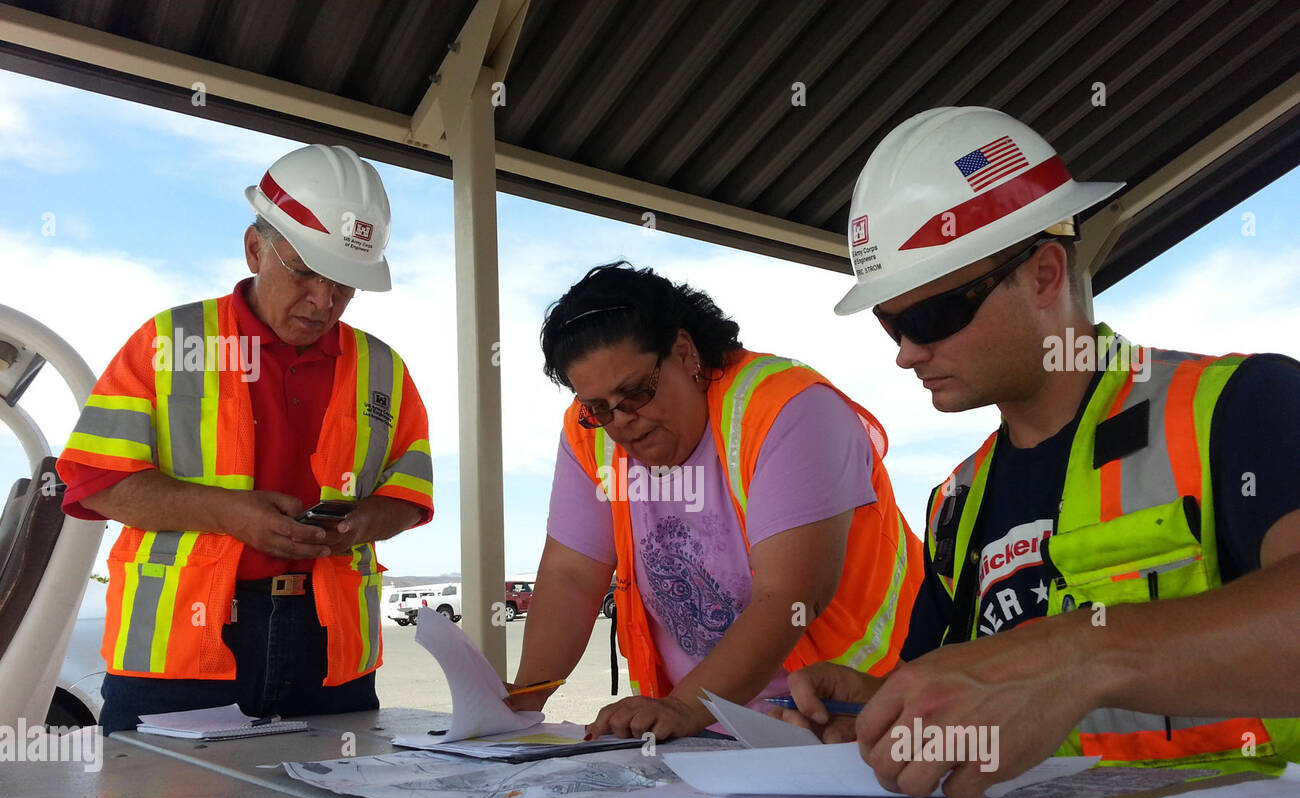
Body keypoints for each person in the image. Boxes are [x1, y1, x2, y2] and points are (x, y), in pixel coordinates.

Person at [780, 106, 1300, 798]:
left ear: (1046, 273)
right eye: (890, 323)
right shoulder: (953, 506)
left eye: (930, 317)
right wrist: (879, 714)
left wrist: (1081, 653)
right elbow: (973, 694)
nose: (906, 352)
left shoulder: (1242, 408)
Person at [57, 144, 434, 734]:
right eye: (305, 272)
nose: (323, 301)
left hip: (330, 648)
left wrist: (364, 521)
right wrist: (228, 513)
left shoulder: (383, 370)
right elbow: (95, 482)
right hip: (179, 646)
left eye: (344, 284)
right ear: (255, 248)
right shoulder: (169, 340)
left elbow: (409, 495)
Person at [508, 261, 923, 740]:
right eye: (598, 408)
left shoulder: (787, 407)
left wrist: (682, 709)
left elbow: (788, 595)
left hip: (860, 716)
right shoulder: (591, 436)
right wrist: (523, 699)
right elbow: (572, 575)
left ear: (685, 353)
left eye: (636, 392)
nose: (621, 421)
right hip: (707, 730)